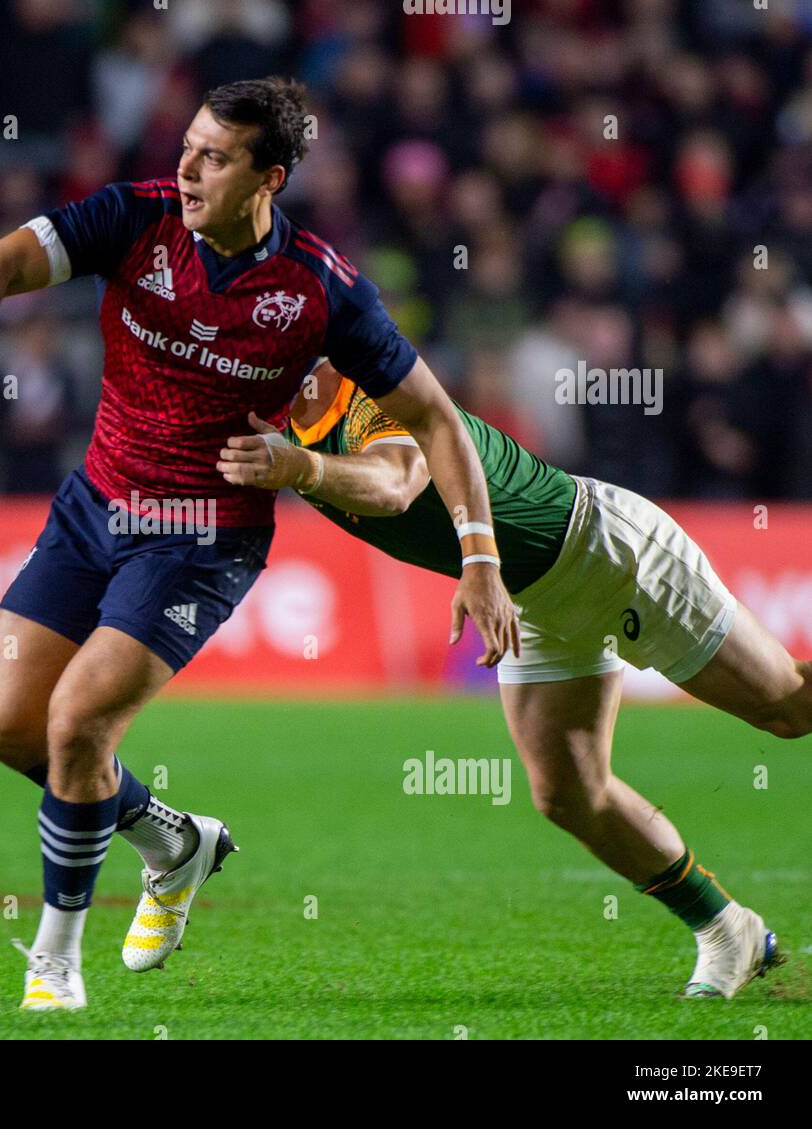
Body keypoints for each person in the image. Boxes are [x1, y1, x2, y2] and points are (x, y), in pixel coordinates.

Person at [0, 77, 519, 1011]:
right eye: (187, 146)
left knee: (77, 724)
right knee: (5, 726)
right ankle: (172, 839)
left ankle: (54, 962)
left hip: (202, 538)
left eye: (215, 156)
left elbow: (436, 426)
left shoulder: (319, 289)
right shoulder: (130, 218)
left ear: (267, 178)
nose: (187, 168)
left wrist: (478, 560)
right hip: (94, 506)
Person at [216, 357, 803, 999]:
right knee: (568, 791)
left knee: (785, 709)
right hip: (535, 598)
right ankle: (727, 929)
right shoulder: (285, 422)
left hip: (601, 551)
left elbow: (399, 481)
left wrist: (300, 468)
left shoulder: (362, 383)